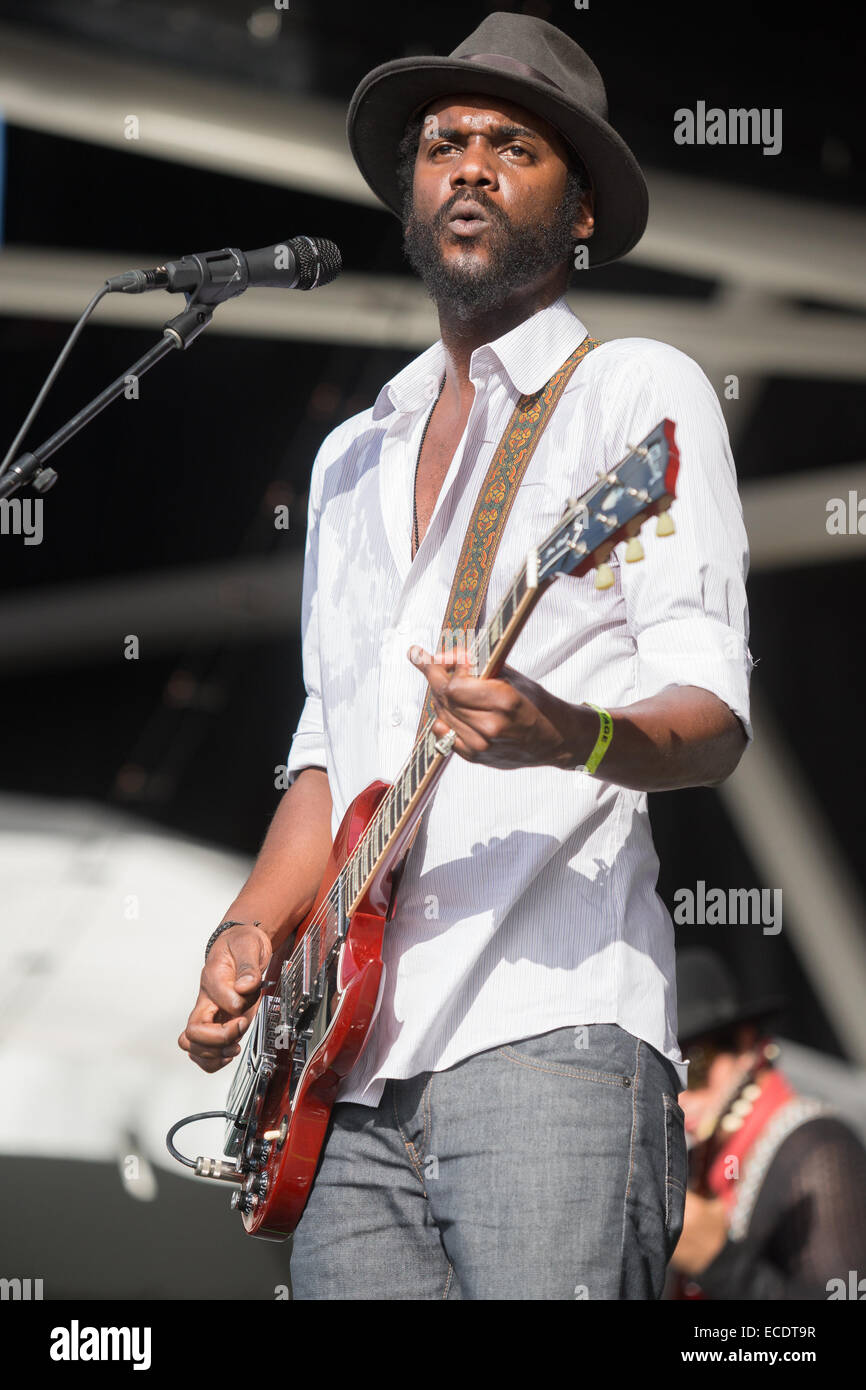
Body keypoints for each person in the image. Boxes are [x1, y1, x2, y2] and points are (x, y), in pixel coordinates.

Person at [179, 12, 754, 1300]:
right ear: (408, 188)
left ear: (583, 207)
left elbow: (711, 716)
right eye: (444, 144)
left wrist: (567, 731)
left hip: (550, 1040)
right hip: (343, 1078)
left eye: (514, 145)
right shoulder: (351, 456)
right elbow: (334, 755)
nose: (470, 166)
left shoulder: (632, 393)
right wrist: (248, 934)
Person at [667, 948, 866, 1300]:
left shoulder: (821, 1148)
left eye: (693, 1067)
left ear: (746, 1045)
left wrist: (719, 1262)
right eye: (666, 1079)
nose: (680, 1100)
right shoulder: (702, 1159)